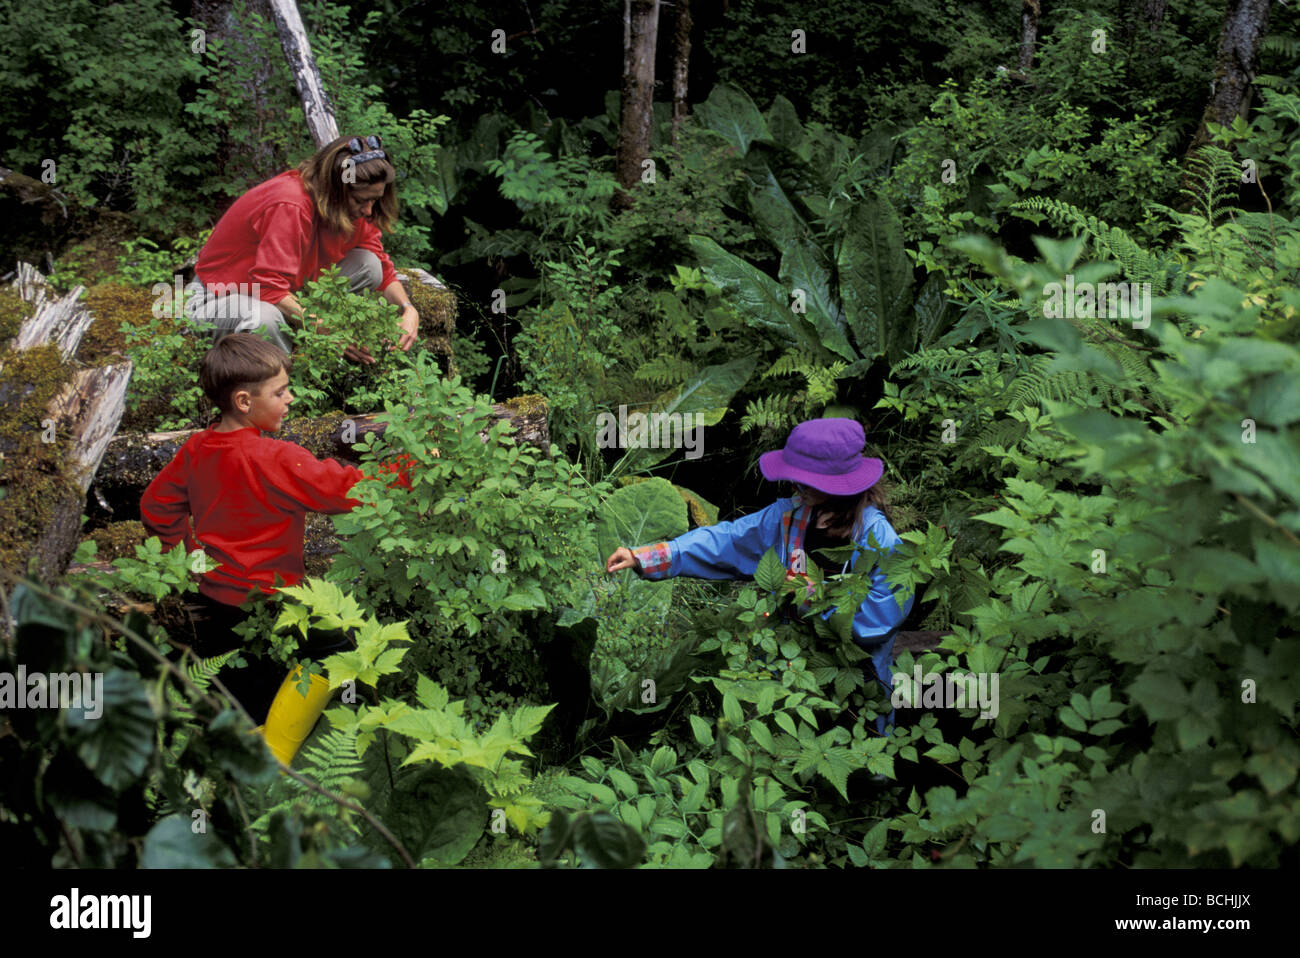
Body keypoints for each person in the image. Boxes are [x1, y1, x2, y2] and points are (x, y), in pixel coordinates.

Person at [139, 333, 411, 763]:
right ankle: (278, 756)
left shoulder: (196, 448)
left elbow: (156, 506)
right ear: (244, 401)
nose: (290, 399)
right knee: (336, 653)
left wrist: (191, 558)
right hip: (274, 598)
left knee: (248, 685)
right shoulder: (276, 457)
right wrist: (409, 468)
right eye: (280, 392)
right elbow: (346, 491)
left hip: (212, 594)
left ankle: (229, 774)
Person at [605, 418, 914, 735]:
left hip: (856, 684)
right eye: (794, 480)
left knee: (859, 765)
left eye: (804, 482)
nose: (795, 488)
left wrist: (815, 597)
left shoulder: (880, 540)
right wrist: (648, 556)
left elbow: (881, 618)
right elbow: (728, 541)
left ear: (834, 483)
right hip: (793, 675)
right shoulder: (788, 517)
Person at [184, 134, 419, 363]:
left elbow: (383, 269)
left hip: (276, 291)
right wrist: (327, 332)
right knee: (265, 319)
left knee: (369, 265)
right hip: (216, 298)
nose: (369, 210)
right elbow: (267, 287)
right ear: (336, 191)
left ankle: (294, 337)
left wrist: (408, 309)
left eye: (374, 200)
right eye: (361, 201)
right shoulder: (290, 204)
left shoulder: (348, 204)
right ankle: (282, 382)